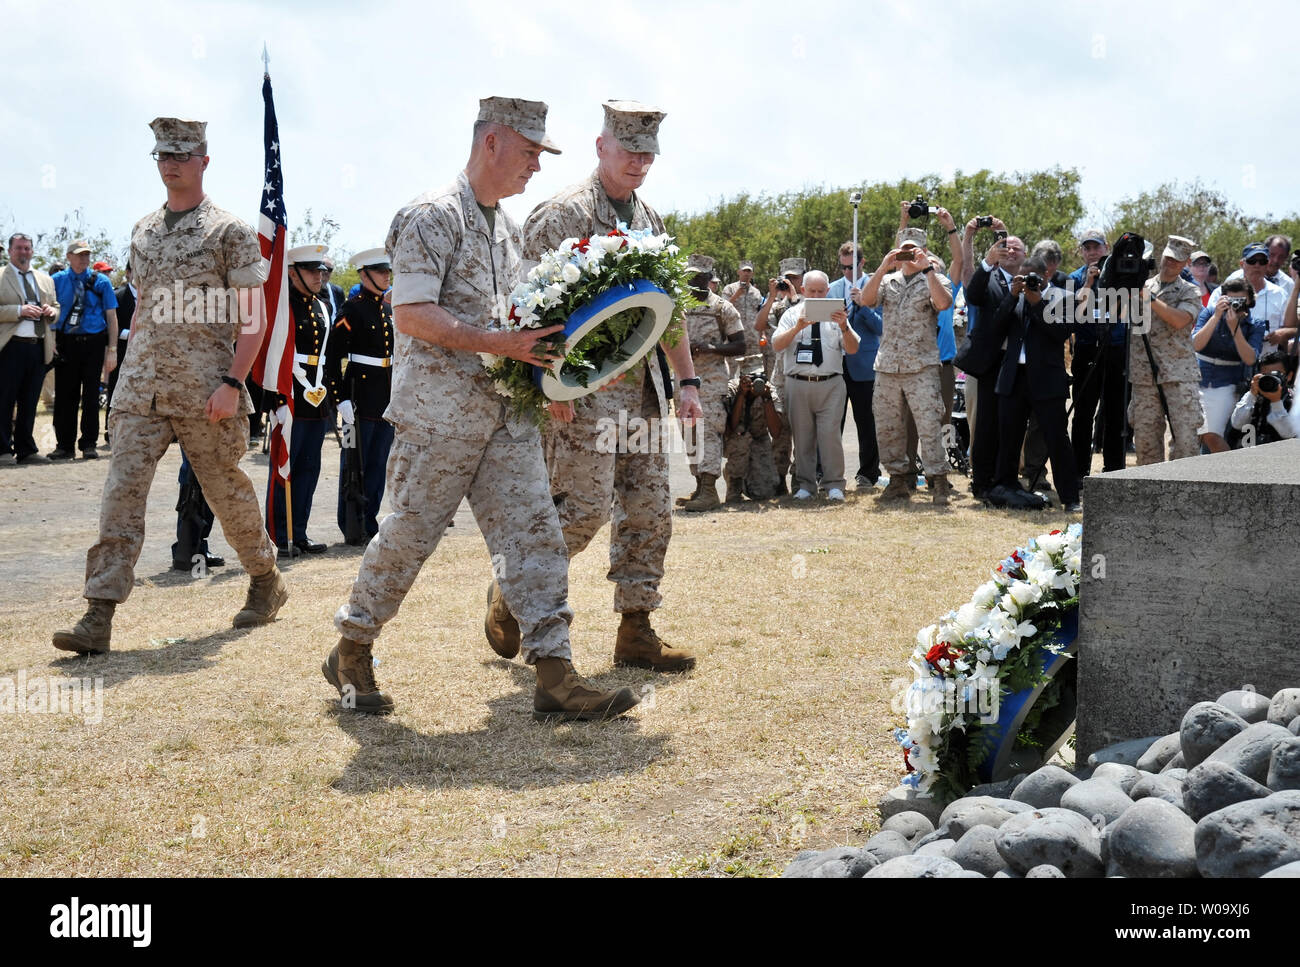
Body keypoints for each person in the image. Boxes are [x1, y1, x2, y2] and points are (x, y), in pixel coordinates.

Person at [330, 96, 639, 721]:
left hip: (506, 416)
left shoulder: (507, 229)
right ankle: (352, 647)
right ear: (492, 142)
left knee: (536, 535)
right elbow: (411, 314)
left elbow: (520, 322)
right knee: (408, 537)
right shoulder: (431, 217)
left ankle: (555, 674)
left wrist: (562, 373)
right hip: (438, 419)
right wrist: (500, 343)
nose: (537, 166)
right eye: (529, 151)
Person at [52, 116, 286, 654]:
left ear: (204, 161)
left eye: (181, 155)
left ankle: (264, 577)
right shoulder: (143, 231)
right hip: (141, 390)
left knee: (225, 493)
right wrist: (124, 371)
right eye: (163, 154)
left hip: (207, 390)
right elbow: (143, 310)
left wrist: (233, 382)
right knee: (121, 495)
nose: (171, 163)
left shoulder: (228, 232)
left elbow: (254, 319)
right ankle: (99, 612)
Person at [489, 98, 704, 674]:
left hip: (642, 393)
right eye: (630, 150)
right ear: (601, 145)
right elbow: (525, 307)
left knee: (650, 509)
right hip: (580, 394)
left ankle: (636, 629)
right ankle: (511, 590)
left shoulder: (649, 221)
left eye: (648, 154)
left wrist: (687, 381)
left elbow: (671, 311)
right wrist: (546, 388)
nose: (639, 163)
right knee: (581, 511)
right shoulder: (562, 216)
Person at [858, 228, 954, 505]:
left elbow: (944, 303)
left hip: (921, 366)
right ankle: (898, 480)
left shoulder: (935, 279)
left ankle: (939, 480)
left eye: (913, 249)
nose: (908, 254)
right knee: (888, 427)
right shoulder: (888, 281)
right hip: (888, 366)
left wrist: (927, 270)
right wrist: (882, 268)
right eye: (904, 249)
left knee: (930, 426)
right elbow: (866, 300)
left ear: (924, 251)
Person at [984, 255, 1079, 511]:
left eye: (1032, 277)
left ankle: (1070, 497)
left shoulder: (1064, 298)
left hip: (1047, 378)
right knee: (1009, 436)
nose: (1028, 282)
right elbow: (996, 327)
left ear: (1046, 275)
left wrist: (1037, 303)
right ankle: (1005, 488)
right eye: (1023, 277)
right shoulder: (1016, 297)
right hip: (1014, 376)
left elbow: (1060, 332)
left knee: (1057, 438)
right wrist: (1012, 296)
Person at [266, 244, 333, 557]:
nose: (319, 276)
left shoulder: (322, 306)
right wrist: (276, 398)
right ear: (292, 273)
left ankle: (300, 531)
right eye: (310, 271)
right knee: (285, 467)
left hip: (315, 396)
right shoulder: (283, 307)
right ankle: (279, 535)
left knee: (309, 467)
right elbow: (272, 354)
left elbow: (325, 356)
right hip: (290, 394)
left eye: (320, 270)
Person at [325, 247, 394, 542]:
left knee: (378, 463)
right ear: (364, 275)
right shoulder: (351, 309)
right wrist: (340, 397)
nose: (386, 276)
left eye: (388, 271)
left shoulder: (388, 309)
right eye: (380, 271)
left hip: (385, 399)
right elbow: (332, 357)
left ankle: (370, 520)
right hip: (358, 399)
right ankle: (351, 523)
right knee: (354, 462)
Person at [773, 269, 858, 500]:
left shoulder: (837, 315)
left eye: (821, 291)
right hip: (798, 383)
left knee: (830, 436)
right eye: (812, 291)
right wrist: (797, 328)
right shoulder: (791, 314)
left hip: (830, 383)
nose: (817, 296)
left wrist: (844, 326)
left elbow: (852, 349)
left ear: (828, 291)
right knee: (802, 437)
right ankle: (806, 485)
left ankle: (834, 484)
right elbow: (777, 345)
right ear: (802, 290)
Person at [1128, 235, 1205, 465]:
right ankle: (1149, 484)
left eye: (1177, 260)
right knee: (1146, 440)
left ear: (1186, 263)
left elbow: (1180, 320)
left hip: (1178, 373)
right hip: (1144, 374)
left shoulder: (1190, 291)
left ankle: (1182, 484)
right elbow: (1115, 313)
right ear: (1161, 255)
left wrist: (1149, 299)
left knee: (1186, 441)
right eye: (1168, 258)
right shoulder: (1141, 286)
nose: (1170, 263)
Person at [961, 217, 1022, 500]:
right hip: (990, 363)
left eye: (1016, 249)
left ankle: (1007, 479)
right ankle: (982, 482)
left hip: (1019, 363)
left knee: (1012, 424)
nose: (1010, 251)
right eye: (1005, 247)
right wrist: (987, 261)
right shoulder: (989, 277)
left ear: (1025, 256)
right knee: (985, 424)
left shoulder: (1030, 280)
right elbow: (973, 294)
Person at [679, 254, 744, 510]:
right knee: (689, 434)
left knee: (709, 433)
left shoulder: (722, 308)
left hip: (712, 381)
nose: (694, 281)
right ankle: (699, 486)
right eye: (691, 276)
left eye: (699, 276)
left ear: (709, 278)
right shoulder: (678, 306)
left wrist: (711, 348)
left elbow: (740, 345)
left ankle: (709, 490)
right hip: (683, 381)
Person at [50, 240, 119, 460]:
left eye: (87, 254)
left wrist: (112, 349)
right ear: (68, 256)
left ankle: (89, 444)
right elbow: (50, 312)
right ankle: (64, 445)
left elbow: (111, 317)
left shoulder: (102, 282)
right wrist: (50, 340)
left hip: (94, 342)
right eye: (79, 254)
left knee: (91, 395)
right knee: (65, 395)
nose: (84, 259)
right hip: (66, 342)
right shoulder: (56, 281)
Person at [1068, 228, 1127, 480]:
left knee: (1115, 414)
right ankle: (1078, 472)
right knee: (1083, 413)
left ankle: (1113, 471)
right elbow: (1074, 316)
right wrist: (1088, 284)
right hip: (1087, 349)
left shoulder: (1121, 274)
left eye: (1097, 247)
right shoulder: (1075, 278)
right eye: (1087, 248)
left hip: (1117, 348)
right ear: (1082, 252)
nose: (1092, 252)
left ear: (1106, 248)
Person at [0, 233, 60, 465]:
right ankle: (3, 450)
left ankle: (26, 450)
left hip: (38, 347)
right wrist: (19, 311)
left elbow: (56, 306)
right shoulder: (1, 276)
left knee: (30, 401)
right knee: (4, 400)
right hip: (10, 347)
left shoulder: (45, 279)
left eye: (27, 248)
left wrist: (52, 312)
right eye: (19, 248)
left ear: (32, 251)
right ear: (10, 251)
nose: (23, 252)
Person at [1193, 277, 1264, 452]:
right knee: (1192, 435)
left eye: (1240, 300)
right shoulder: (1210, 313)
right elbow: (1195, 344)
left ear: (1249, 301)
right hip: (1197, 378)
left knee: (1211, 434)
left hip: (1226, 383)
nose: (1236, 304)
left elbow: (1250, 358)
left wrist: (1235, 329)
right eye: (1231, 299)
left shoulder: (1255, 324)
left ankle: (1232, 468)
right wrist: (1217, 316)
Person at [754, 257, 804, 491]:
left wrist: (794, 297)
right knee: (780, 431)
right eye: (787, 279)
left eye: (794, 278)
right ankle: (779, 479)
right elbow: (759, 325)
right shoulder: (775, 306)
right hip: (780, 377)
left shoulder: (808, 303)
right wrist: (772, 296)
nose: (790, 282)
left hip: (801, 374)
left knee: (803, 430)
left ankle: (800, 477)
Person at [723, 361, 782, 502]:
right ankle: (734, 482)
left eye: (760, 377)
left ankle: (748, 480)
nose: (756, 382)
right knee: (741, 435)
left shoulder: (769, 390)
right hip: (734, 441)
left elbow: (776, 432)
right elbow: (731, 427)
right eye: (751, 378)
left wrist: (766, 398)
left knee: (764, 493)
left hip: (759, 440)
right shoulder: (732, 388)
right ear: (742, 378)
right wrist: (741, 394)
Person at [1229, 350, 1294, 446]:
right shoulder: (1253, 394)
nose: (1270, 379)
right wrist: (1252, 394)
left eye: (1276, 375)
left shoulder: (1294, 400)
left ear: (1289, 376)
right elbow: (1237, 424)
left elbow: (1289, 433)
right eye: (1266, 375)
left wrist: (1276, 402)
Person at [104, 262, 136, 446]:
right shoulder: (117, 296)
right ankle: (112, 430)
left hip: (148, 356)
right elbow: (109, 327)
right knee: (116, 391)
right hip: (121, 353)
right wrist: (132, 334)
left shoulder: (155, 297)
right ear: (128, 273)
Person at [721, 258, 765, 365]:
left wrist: (762, 334)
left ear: (752, 274)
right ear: (739, 272)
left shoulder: (756, 292)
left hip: (752, 337)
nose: (746, 273)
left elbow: (760, 313)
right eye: (744, 270)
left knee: (753, 368)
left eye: (749, 271)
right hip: (734, 337)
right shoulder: (729, 289)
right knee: (734, 367)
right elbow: (722, 309)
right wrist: (737, 294)